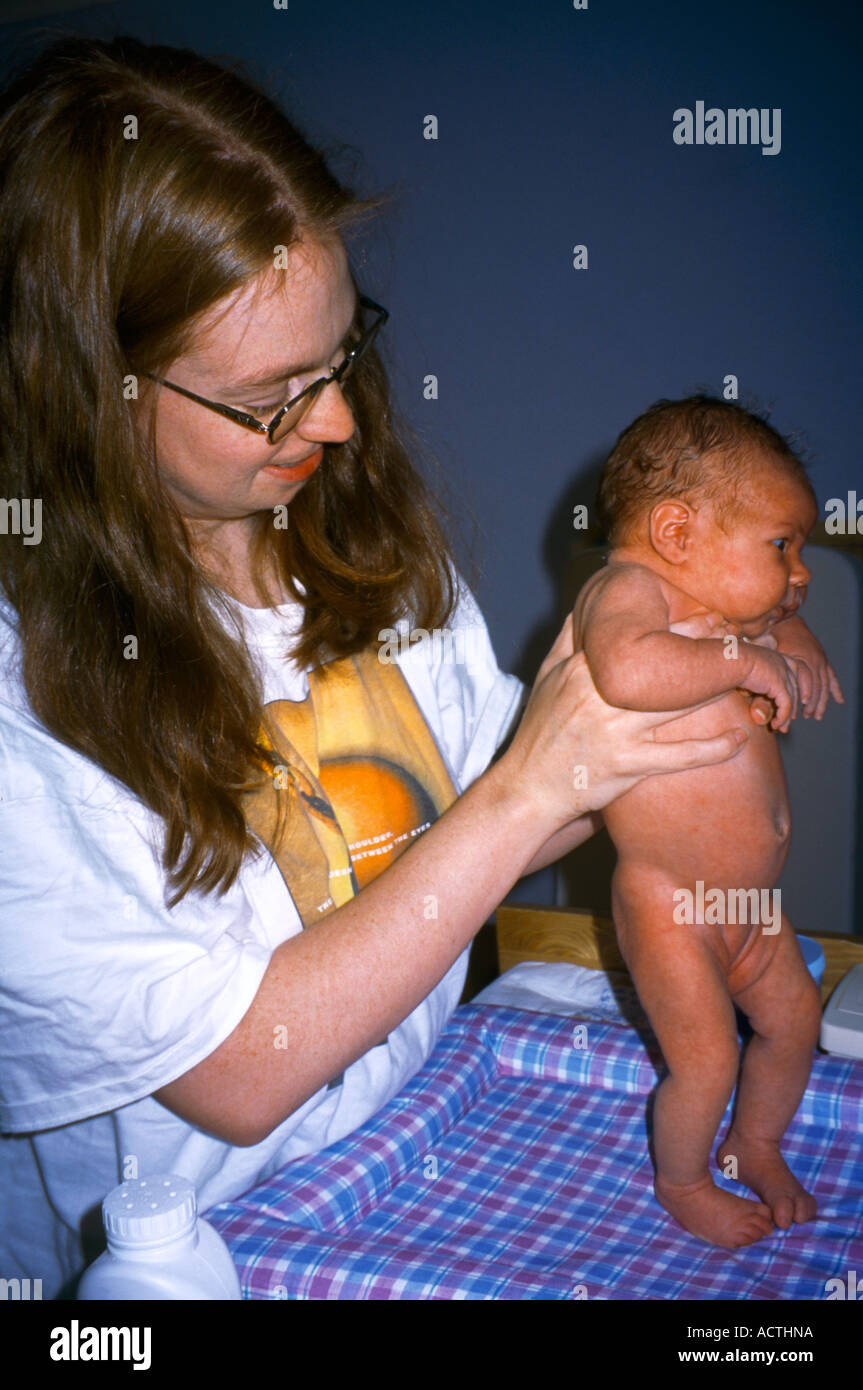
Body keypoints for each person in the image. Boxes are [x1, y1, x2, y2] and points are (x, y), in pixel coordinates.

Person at [0, 36, 824, 1300]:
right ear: (88, 391)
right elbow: (236, 1072)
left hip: (406, 1144)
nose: (334, 421)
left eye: (340, 357)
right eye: (270, 397)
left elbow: (493, 817)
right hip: (183, 1259)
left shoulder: (362, 544)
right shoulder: (27, 701)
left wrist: (665, 703)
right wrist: (532, 788)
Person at [573, 396, 843, 1249]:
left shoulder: (726, 617)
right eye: (780, 544)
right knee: (706, 1058)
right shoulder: (626, 590)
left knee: (793, 1019)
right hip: (668, 909)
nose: (800, 570)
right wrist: (748, 654)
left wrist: (789, 633)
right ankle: (683, 1179)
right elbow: (623, 669)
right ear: (677, 532)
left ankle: (755, 1143)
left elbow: (764, 625)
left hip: (751, 910)